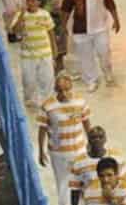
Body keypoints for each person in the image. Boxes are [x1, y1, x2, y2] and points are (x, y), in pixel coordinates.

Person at [61, 0, 120, 91]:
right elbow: (65, 9)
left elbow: (111, 4)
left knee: (104, 53)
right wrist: (63, 25)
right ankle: (91, 80)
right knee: (86, 57)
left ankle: (108, 73)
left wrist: (116, 20)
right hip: (81, 31)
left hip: (100, 29)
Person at [39, 72, 91, 205]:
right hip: (59, 153)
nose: (64, 93)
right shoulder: (48, 106)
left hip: (79, 150)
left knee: (82, 181)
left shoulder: (81, 102)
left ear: (71, 87)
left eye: (66, 89)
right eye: (60, 90)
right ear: (56, 90)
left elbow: (86, 122)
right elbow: (42, 129)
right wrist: (41, 150)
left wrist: (90, 141)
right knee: (63, 184)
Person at [12, 0, 58, 109]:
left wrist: (54, 49)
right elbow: (14, 31)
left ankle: (48, 102)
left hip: (45, 53)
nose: (30, 3)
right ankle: (30, 102)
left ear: (39, 2)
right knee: (29, 81)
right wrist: (21, 15)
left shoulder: (45, 14)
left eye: (33, 1)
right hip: (28, 55)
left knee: (47, 80)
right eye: (28, 0)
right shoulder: (20, 15)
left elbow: (51, 32)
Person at [70, 126, 126, 205]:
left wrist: (111, 198)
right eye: (93, 137)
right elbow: (75, 190)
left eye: (100, 137)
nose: (105, 179)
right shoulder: (78, 162)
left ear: (105, 139)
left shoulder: (118, 158)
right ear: (88, 140)